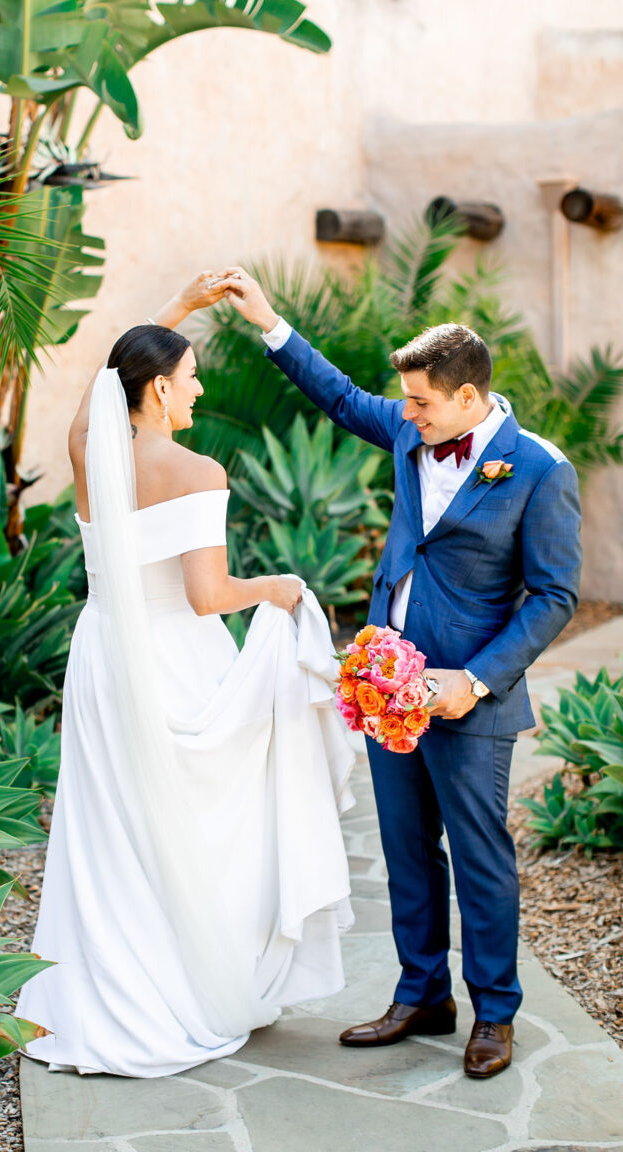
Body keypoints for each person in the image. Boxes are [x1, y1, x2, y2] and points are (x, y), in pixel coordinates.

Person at [221, 267, 582, 1079]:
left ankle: (494, 1012)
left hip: (469, 699)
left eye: (419, 401)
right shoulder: (411, 429)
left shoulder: (539, 470)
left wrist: (475, 680)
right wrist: (272, 322)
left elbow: (555, 596)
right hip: (386, 686)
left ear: (466, 398)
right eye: (407, 401)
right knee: (406, 848)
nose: (405, 413)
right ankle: (422, 994)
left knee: (480, 854)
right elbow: (344, 397)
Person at [15, 272, 356, 1078]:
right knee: (200, 828)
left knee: (112, 828)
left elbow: (106, 386)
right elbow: (209, 599)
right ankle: (182, 987)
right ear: (160, 390)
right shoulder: (198, 472)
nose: (199, 389)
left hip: (101, 658)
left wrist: (172, 311)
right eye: (191, 376)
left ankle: (101, 993)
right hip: (171, 661)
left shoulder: (86, 449)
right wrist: (280, 587)